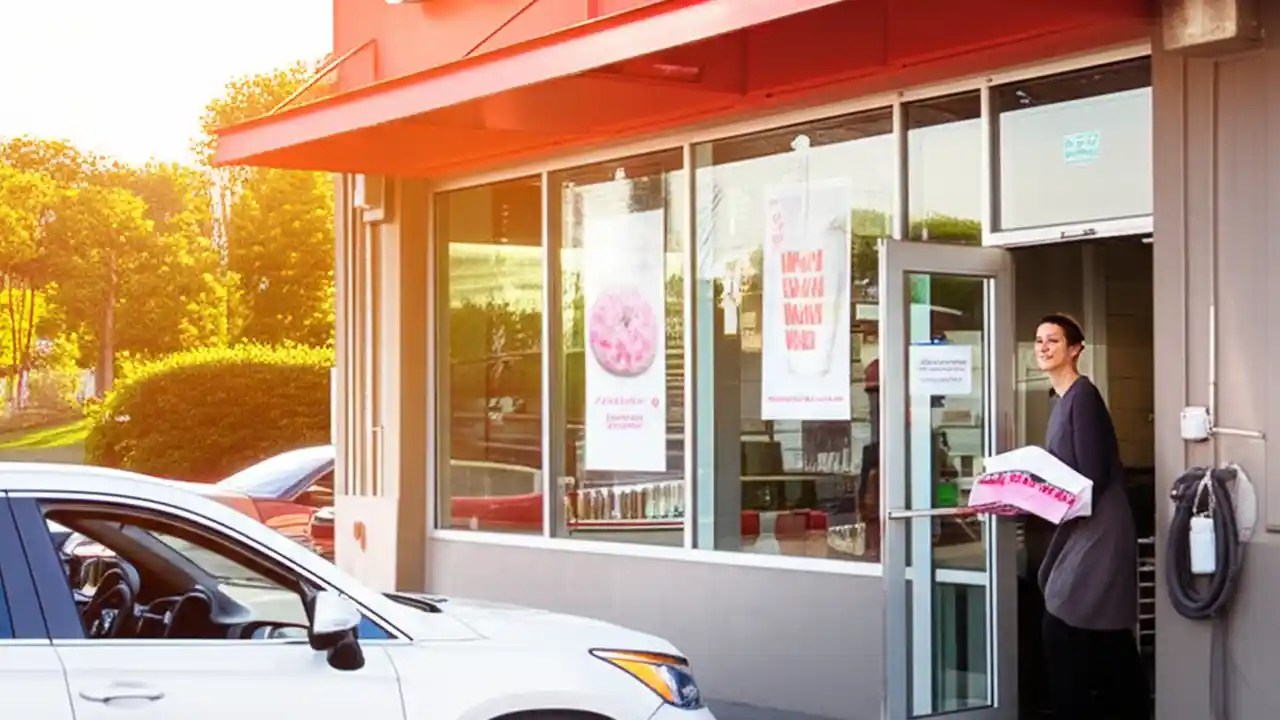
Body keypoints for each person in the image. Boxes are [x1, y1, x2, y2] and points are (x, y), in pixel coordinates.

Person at [1034, 313, 1148, 719]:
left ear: (1075, 349)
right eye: (1039, 340)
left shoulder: (1083, 396)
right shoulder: (1060, 401)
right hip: (1081, 524)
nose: (1044, 347)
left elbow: (1092, 473)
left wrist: (1038, 490)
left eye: (1054, 340)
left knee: (1066, 620)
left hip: (1100, 526)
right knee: (1102, 632)